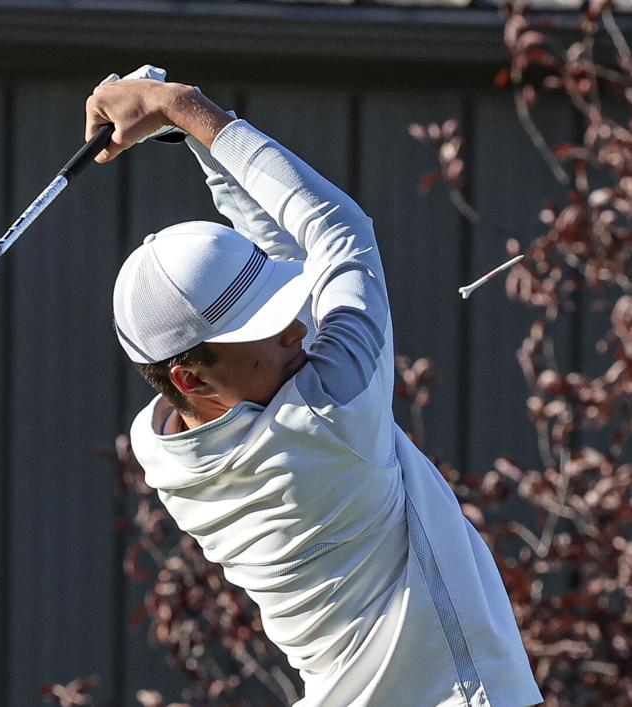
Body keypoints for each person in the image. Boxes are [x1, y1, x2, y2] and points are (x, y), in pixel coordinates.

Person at [87, 69, 543, 707]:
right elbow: (337, 229)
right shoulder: (328, 414)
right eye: (269, 328)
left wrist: (191, 134)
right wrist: (184, 108)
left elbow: (290, 250)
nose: (298, 330)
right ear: (192, 375)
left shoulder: (161, 445)